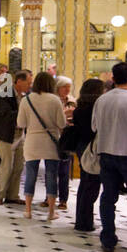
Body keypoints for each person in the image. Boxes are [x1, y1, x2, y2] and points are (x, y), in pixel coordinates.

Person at [92, 60, 127, 252]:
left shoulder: (102, 99)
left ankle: (108, 239)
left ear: (112, 79)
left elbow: (94, 126)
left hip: (106, 152)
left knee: (108, 197)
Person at [17, 71, 66, 221]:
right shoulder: (55, 100)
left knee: (30, 175)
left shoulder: (27, 100)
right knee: (51, 176)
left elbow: (21, 123)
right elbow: (62, 123)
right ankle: (51, 212)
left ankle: (28, 210)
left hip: (32, 141)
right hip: (50, 142)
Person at [69, 78, 105, 233]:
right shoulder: (96, 109)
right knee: (91, 185)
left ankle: (82, 220)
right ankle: (84, 223)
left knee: (85, 183)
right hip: (93, 147)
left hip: (81, 147)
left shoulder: (79, 108)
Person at [0, 69, 32, 205]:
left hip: (20, 134)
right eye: (28, 82)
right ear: (19, 81)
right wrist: (24, 111)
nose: (30, 85)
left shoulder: (26, 96)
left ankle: (12, 195)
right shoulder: (6, 93)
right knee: (6, 166)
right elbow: (5, 113)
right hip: (7, 135)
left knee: (18, 166)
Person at [52, 76, 75, 209]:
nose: (67, 89)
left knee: (64, 171)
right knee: (51, 170)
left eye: (68, 87)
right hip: (53, 138)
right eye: (64, 87)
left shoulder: (72, 102)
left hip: (66, 139)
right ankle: (50, 197)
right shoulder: (52, 101)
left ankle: (63, 200)